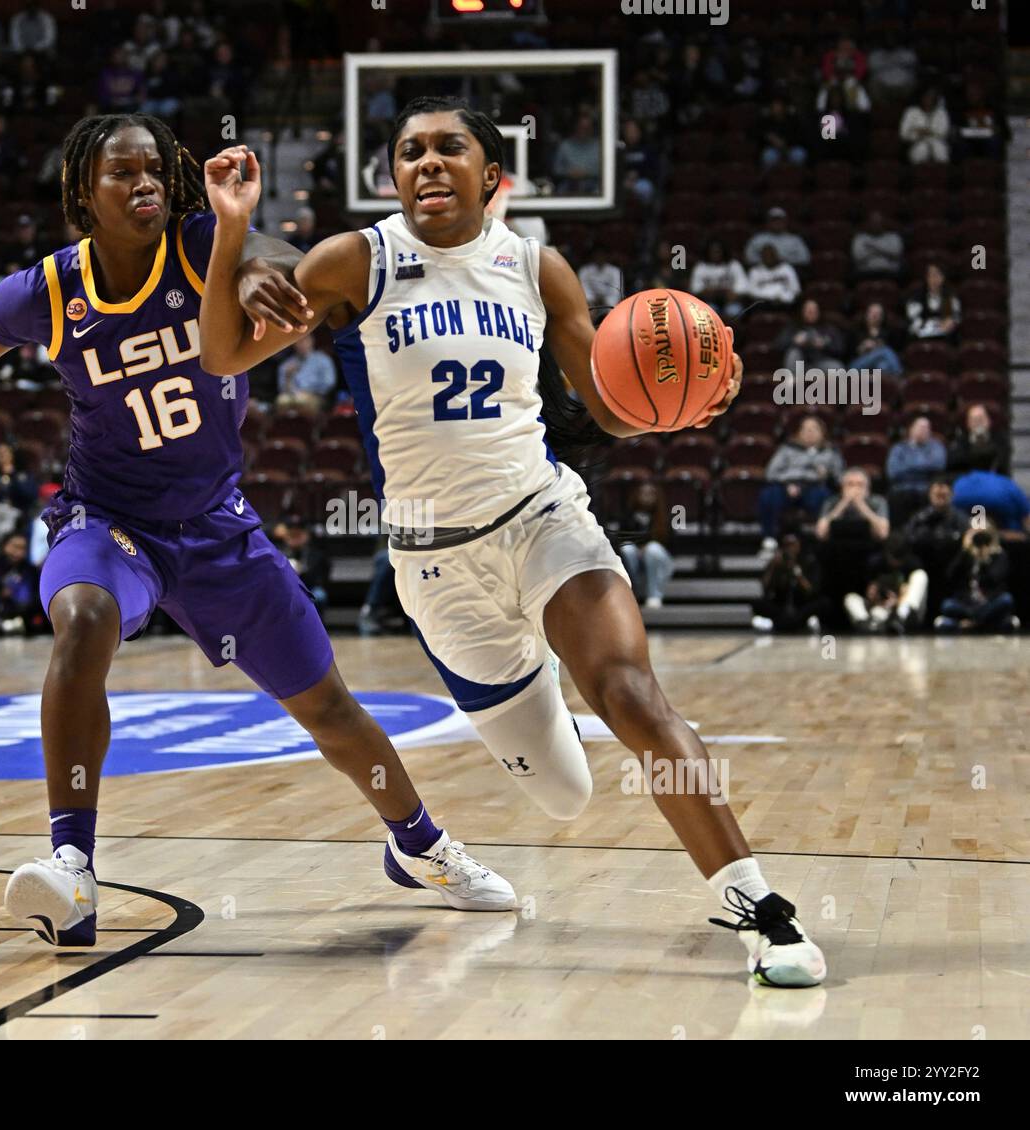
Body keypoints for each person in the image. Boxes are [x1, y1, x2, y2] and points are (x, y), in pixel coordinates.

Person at [0, 112, 514, 950]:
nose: (144, 182)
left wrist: (263, 274)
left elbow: (289, 263)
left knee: (329, 708)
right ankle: (71, 868)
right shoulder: (49, 289)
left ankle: (420, 846)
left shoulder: (198, 242)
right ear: (85, 191)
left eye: (154, 169)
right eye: (123, 173)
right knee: (81, 620)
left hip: (217, 527)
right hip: (106, 521)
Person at [199, 95, 826, 987]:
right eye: (409, 151)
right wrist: (233, 233)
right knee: (566, 797)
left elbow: (607, 408)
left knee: (632, 694)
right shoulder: (357, 260)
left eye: (449, 148)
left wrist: (678, 409)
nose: (426, 163)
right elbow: (222, 355)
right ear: (393, 175)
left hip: (541, 515)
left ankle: (761, 910)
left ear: (492, 177)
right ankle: (531, 707)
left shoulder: (538, 268)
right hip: (434, 563)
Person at [758, 416, 844, 545]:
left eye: (814, 429)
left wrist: (828, 475)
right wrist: (787, 484)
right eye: (805, 429)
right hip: (786, 486)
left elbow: (840, 477)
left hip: (815, 486)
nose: (809, 432)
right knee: (768, 495)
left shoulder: (831, 452)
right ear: (799, 433)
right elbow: (771, 473)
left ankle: (822, 538)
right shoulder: (787, 449)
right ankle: (769, 538)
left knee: (825, 497)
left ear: (822, 433)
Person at [934, 528, 1018, 632]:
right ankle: (984, 624)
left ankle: (970, 624)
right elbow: (950, 576)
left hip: (989, 602)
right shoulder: (966, 556)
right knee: (947, 605)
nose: (981, 544)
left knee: (1006, 599)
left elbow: (994, 579)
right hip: (967, 605)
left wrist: (986, 559)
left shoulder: (999, 556)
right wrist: (965, 550)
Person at [843, 533, 928, 634]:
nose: (896, 562)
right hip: (880, 612)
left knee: (920, 575)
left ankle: (900, 618)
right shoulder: (874, 564)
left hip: (904, 611)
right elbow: (866, 594)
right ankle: (868, 626)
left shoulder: (913, 564)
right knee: (850, 598)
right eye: (893, 557)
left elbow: (914, 593)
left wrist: (898, 600)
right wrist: (872, 597)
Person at [612, 481, 674, 609]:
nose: (647, 496)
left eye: (651, 493)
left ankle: (654, 595)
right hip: (636, 558)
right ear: (637, 495)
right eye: (643, 493)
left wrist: (646, 546)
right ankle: (631, 591)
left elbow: (671, 544)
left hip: (658, 560)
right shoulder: (628, 515)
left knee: (653, 549)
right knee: (627, 549)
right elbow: (621, 538)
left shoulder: (665, 516)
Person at [751, 533, 828, 634]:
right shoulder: (777, 563)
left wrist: (798, 574)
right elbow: (765, 588)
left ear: (798, 546)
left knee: (824, 603)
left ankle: (778, 624)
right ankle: (796, 623)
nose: (790, 549)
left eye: (793, 545)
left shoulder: (808, 562)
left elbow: (811, 590)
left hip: (801, 604)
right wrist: (773, 567)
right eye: (787, 545)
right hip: (782, 605)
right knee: (757, 603)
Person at [886, 415, 946, 523]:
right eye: (920, 427)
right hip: (902, 489)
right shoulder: (898, 448)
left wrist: (908, 466)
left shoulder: (936, 447)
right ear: (911, 429)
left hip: (926, 487)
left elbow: (938, 466)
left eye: (927, 428)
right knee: (895, 496)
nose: (924, 430)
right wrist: (924, 468)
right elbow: (893, 472)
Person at [270, 514, 329, 610]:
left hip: (309, 588)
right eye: (292, 534)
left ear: (306, 534)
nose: (295, 537)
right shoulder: (278, 552)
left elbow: (321, 580)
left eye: (298, 534)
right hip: (285, 589)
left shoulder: (315, 554)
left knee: (319, 595)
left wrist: (302, 571)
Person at [274, 335, 336, 412]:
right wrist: (288, 377)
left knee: (302, 401)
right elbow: (282, 389)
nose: (302, 344)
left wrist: (308, 391)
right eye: (298, 341)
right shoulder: (287, 364)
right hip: (293, 395)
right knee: (282, 401)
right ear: (293, 344)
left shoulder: (323, 359)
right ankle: (285, 424)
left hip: (316, 395)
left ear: (312, 341)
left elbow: (329, 383)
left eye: (304, 340)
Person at [688, 240, 746, 319]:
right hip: (709, 302)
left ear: (723, 251)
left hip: (730, 303)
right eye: (713, 251)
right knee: (709, 312)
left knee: (734, 311)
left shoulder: (733, 265)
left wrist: (733, 294)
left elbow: (743, 287)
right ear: (708, 252)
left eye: (718, 251)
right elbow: (695, 288)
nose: (715, 254)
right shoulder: (701, 266)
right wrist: (708, 292)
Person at [948, 403, 1008, 476]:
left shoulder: (999, 439)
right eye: (974, 420)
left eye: (981, 419)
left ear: (989, 421)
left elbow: (1002, 462)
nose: (978, 423)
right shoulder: (961, 440)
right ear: (968, 423)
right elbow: (954, 463)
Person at [905, 262, 960, 341]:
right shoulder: (917, 298)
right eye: (931, 275)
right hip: (921, 337)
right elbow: (913, 320)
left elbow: (954, 317)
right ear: (926, 278)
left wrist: (950, 322)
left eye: (937, 275)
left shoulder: (949, 298)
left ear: (943, 278)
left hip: (944, 337)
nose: (934, 279)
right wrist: (927, 327)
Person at [744, 206, 810, 269]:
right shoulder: (757, 239)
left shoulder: (795, 240)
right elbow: (749, 258)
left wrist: (784, 261)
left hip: (788, 270)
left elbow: (804, 258)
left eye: (779, 220)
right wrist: (767, 261)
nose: (777, 223)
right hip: (763, 271)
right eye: (773, 220)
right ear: (768, 222)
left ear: (785, 222)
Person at [848, 302, 902, 375]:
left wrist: (877, 347)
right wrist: (862, 347)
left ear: (883, 317)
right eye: (872, 313)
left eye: (878, 314)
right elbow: (847, 354)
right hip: (857, 365)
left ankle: (879, 385)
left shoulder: (888, 333)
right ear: (866, 315)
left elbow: (897, 350)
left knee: (883, 366)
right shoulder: (856, 331)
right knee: (885, 350)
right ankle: (898, 373)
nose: (875, 316)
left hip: (878, 363)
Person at [900, 87, 950, 164]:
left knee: (940, 151)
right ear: (921, 98)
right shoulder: (911, 111)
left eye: (932, 97)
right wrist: (918, 134)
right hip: (916, 144)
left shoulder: (941, 113)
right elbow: (904, 134)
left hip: (938, 144)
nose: (928, 99)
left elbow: (943, 133)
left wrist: (921, 130)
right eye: (926, 97)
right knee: (921, 150)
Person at [743, 242, 801, 309]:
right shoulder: (755, 271)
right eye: (766, 255)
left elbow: (796, 290)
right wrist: (769, 297)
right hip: (762, 305)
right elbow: (750, 292)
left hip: (784, 304)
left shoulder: (787, 268)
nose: (769, 257)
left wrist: (784, 297)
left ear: (777, 255)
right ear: (761, 257)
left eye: (771, 255)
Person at [850, 211, 903, 279]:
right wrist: (885, 253)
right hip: (865, 273)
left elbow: (896, 256)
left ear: (883, 223)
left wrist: (873, 248)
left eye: (878, 222)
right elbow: (858, 258)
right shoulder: (860, 238)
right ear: (868, 223)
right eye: (873, 223)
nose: (876, 225)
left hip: (890, 273)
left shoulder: (894, 237)